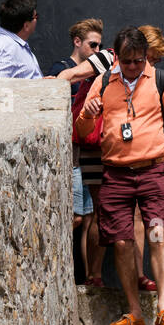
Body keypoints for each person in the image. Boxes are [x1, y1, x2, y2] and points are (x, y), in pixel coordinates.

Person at [76, 27, 164, 325]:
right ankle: (135, 311)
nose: (134, 67)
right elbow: (84, 131)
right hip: (116, 174)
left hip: (152, 170)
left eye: (139, 61)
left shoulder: (161, 80)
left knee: (155, 233)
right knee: (123, 243)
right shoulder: (103, 82)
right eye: (128, 62)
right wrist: (86, 113)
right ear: (118, 58)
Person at [48, 19, 105, 280]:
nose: (97, 49)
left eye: (100, 45)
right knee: (75, 216)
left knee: (90, 216)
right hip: (71, 150)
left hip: (89, 150)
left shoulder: (98, 71)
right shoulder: (62, 69)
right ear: (77, 42)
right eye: (93, 44)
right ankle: (63, 277)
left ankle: (86, 278)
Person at [132, 26, 164, 292]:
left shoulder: (159, 80)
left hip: (153, 167)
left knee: (154, 226)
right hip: (122, 164)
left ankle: (161, 297)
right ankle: (138, 274)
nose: (156, 62)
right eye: (154, 56)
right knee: (132, 224)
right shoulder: (113, 72)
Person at [0, 0, 102, 86]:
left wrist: (39, 85)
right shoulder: (4, 47)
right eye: (36, 16)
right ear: (26, 25)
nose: (38, 19)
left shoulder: (13, 45)